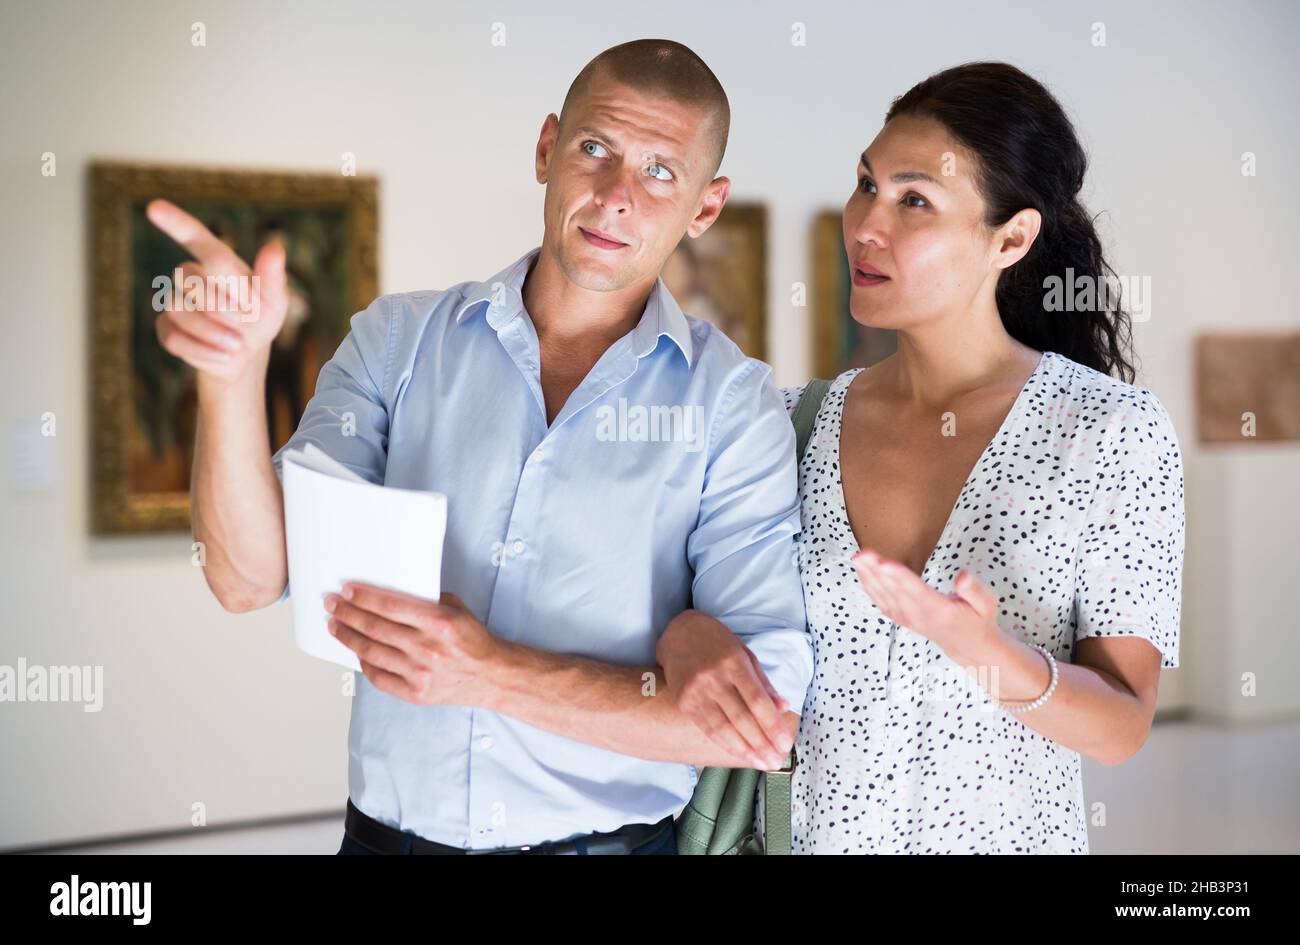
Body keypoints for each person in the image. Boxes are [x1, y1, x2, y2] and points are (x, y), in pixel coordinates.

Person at [148, 39, 813, 855]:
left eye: (660, 171)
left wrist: (486, 671)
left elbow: (754, 723)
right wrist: (231, 376)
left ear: (705, 207)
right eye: (595, 149)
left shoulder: (734, 405)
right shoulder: (398, 341)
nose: (614, 197)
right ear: (547, 149)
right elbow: (249, 578)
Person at [657, 62, 1186, 854]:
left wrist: (992, 656)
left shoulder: (1111, 433)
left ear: (1011, 238)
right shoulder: (793, 421)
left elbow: (1122, 724)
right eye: (866, 185)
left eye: (915, 200)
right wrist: (684, 633)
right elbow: (702, 612)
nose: (867, 224)